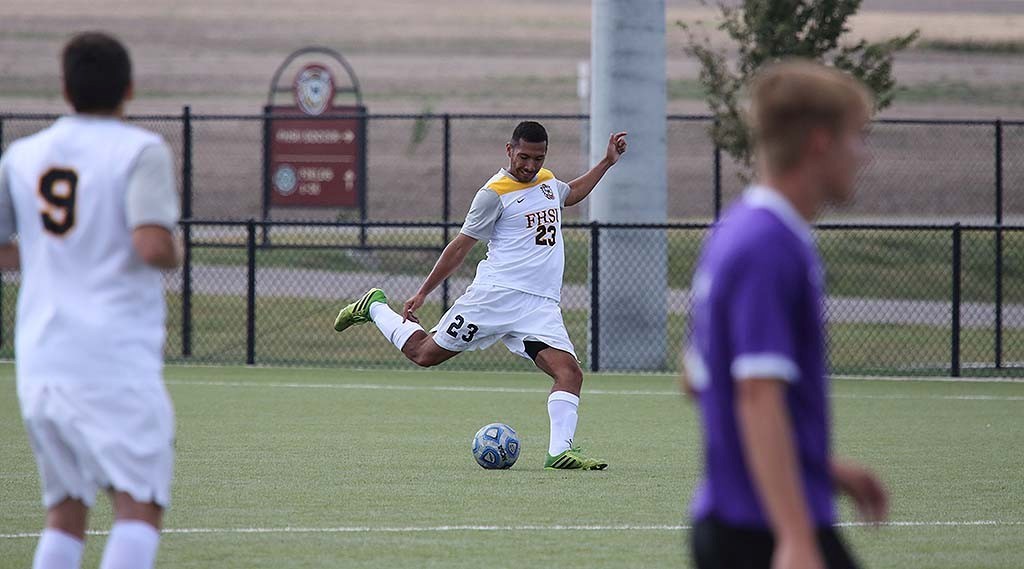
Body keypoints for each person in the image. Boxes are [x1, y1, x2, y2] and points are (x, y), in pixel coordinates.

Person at [684, 60, 889, 569]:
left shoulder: (735, 227)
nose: (863, 157)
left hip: (736, 522)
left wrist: (822, 468)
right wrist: (795, 538)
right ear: (820, 142)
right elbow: (757, 393)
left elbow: (696, 379)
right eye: (857, 138)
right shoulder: (770, 246)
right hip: (765, 530)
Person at [334, 121, 627, 470]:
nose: (531, 165)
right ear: (509, 150)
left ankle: (558, 453)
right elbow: (459, 248)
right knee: (424, 354)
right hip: (494, 298)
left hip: (540, 306)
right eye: (524, 157)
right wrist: (423, 292)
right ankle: (375, 306)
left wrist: (606, 163)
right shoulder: (493, 194)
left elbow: (572, 193)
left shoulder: (547, 181)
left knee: (570, 374)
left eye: (538, 157)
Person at [0, 32, 180, 569]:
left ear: (64, 88)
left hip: (41, 359)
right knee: (138, 505)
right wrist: (176, 247)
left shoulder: (21, 156)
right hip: (110, 359)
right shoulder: (139, 151)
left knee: (66, 510)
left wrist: (53, 255)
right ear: (129, 89)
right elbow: (152, 246)